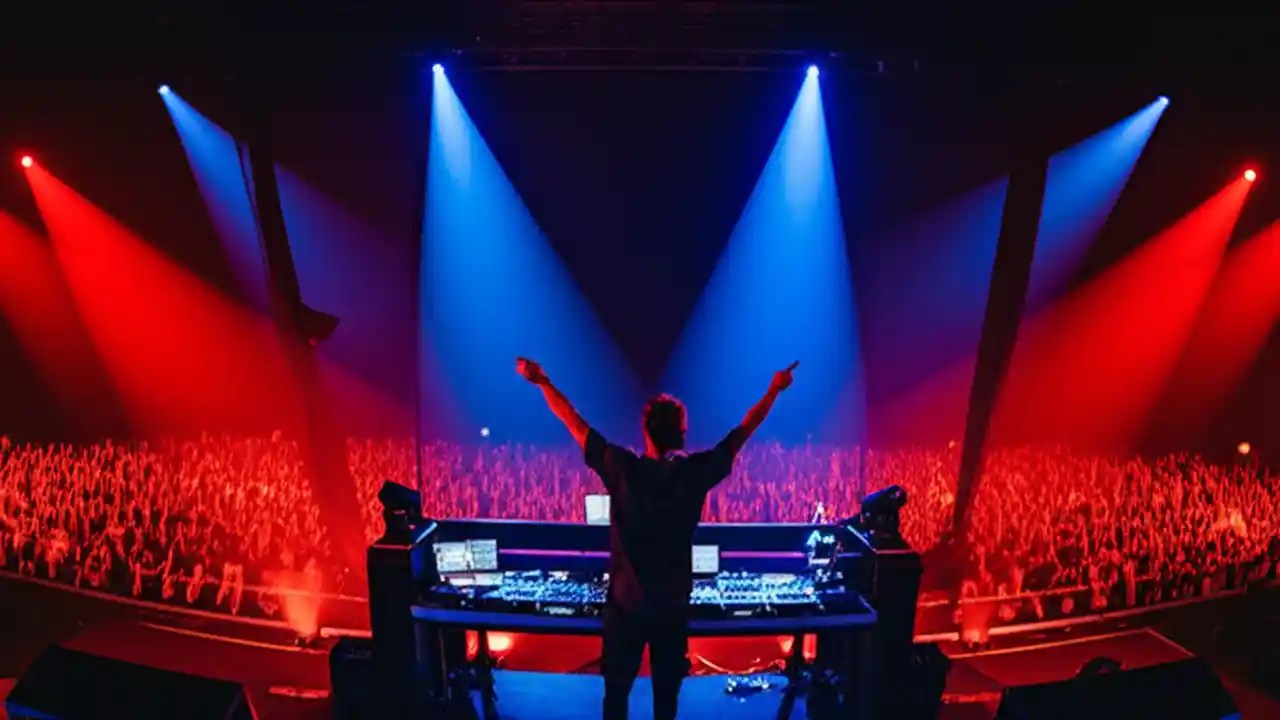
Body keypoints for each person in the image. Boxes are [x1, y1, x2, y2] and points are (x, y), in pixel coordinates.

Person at [516, 356, 798, 720]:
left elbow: (572, 420)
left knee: (615, 697)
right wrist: (774, 390)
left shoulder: (621, 467)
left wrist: (542, 380)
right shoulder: (694, 474)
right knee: (667, 701)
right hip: (670, 609)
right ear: (681, 434)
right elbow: (744, 431)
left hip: (625, 607)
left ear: (645, 431)